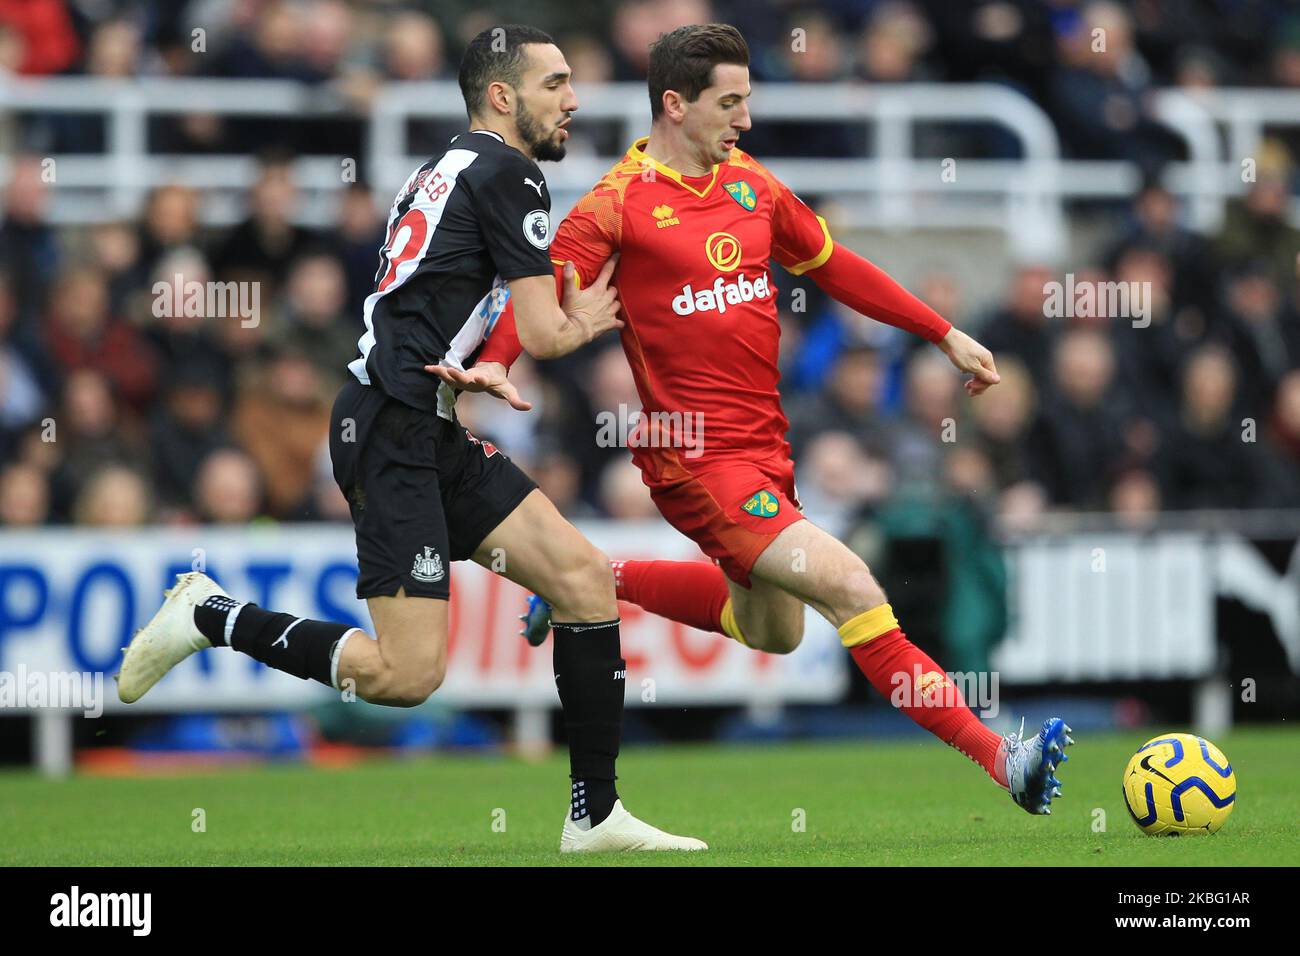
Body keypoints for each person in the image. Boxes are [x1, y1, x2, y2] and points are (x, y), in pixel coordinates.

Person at [442, 23, 1072, 816]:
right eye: (729, 103)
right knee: (851, 586)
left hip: (765, 451)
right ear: (676, 104)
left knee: (775, 631)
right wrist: (498, 360)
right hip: (695, 459)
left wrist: (941, 332)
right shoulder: (617, 204)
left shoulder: (751, 184)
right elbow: (538, 288)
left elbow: (836, 265)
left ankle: (597, 578)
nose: (744, 119)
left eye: (747, 101)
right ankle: (1004, 758)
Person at [117, 25, 704, 854]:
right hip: (391, 427)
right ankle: (212, 616)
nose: (573, 100)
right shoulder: (511, 172)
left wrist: (476, 363)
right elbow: (544, 331)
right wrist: (587, 321)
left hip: (424, 421)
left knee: (581, 581)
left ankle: (595, 815)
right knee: (406, 676)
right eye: (555, 84)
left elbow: (440, 300)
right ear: (501, 95)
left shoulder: (444, 167)